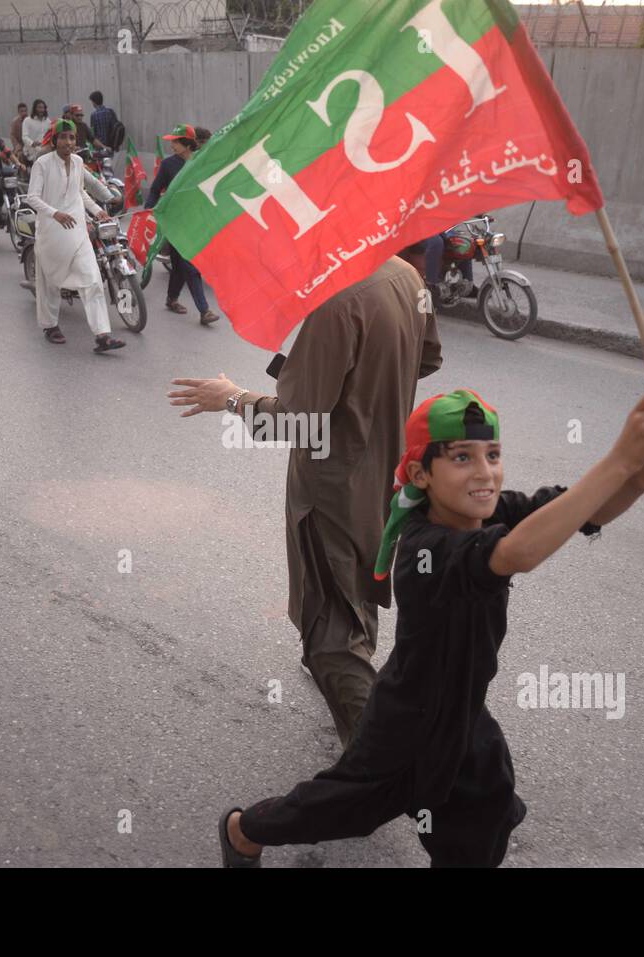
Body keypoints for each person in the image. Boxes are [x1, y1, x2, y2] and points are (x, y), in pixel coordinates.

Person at [216, 388, 644, 867]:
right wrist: (618, 459)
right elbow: (518, 553)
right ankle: (244, 830)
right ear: (422, 473)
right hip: (407, 726)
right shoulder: (427, 548)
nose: (484, 472)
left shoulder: (487, 511)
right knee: (340, 809)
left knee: (485, 813)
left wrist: (639, 476)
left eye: (493, 455)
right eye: (462, 457)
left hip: (464, 713)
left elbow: (580, 513)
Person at [167, 256, 444, 747]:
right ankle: (355, 662)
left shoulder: (337, 302)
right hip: (386, 465)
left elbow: (295, 421)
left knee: (327, 633)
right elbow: (427, 358)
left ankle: (379, 755)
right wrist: (367, 388)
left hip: (331, 485)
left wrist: (231, 398)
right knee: (358, 574)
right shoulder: (405, 274)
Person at [24, 120, 124, 354]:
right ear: (54, 140)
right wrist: (55, 213)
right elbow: (32, 197)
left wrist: (98, 210)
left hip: (77, 231)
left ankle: (103, 335)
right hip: (51, 232)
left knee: (92, 280)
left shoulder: (79, 162)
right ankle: (50, 326)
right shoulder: (43, 164)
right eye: (63, 137)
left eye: (72, 138)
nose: (68, 142)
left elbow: (79, 194)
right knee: (50, 283)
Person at [145, 124, 218, 325]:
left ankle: (171, 299)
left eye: (175, 142)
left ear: (187, 144)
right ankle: (204, 311)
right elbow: (155, 189)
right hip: (175, 221)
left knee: (179, 265)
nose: (172, 145)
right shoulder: (169, 165)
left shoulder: (201, 162)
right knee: (190, 264)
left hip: (196, 220)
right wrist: (148, 210)